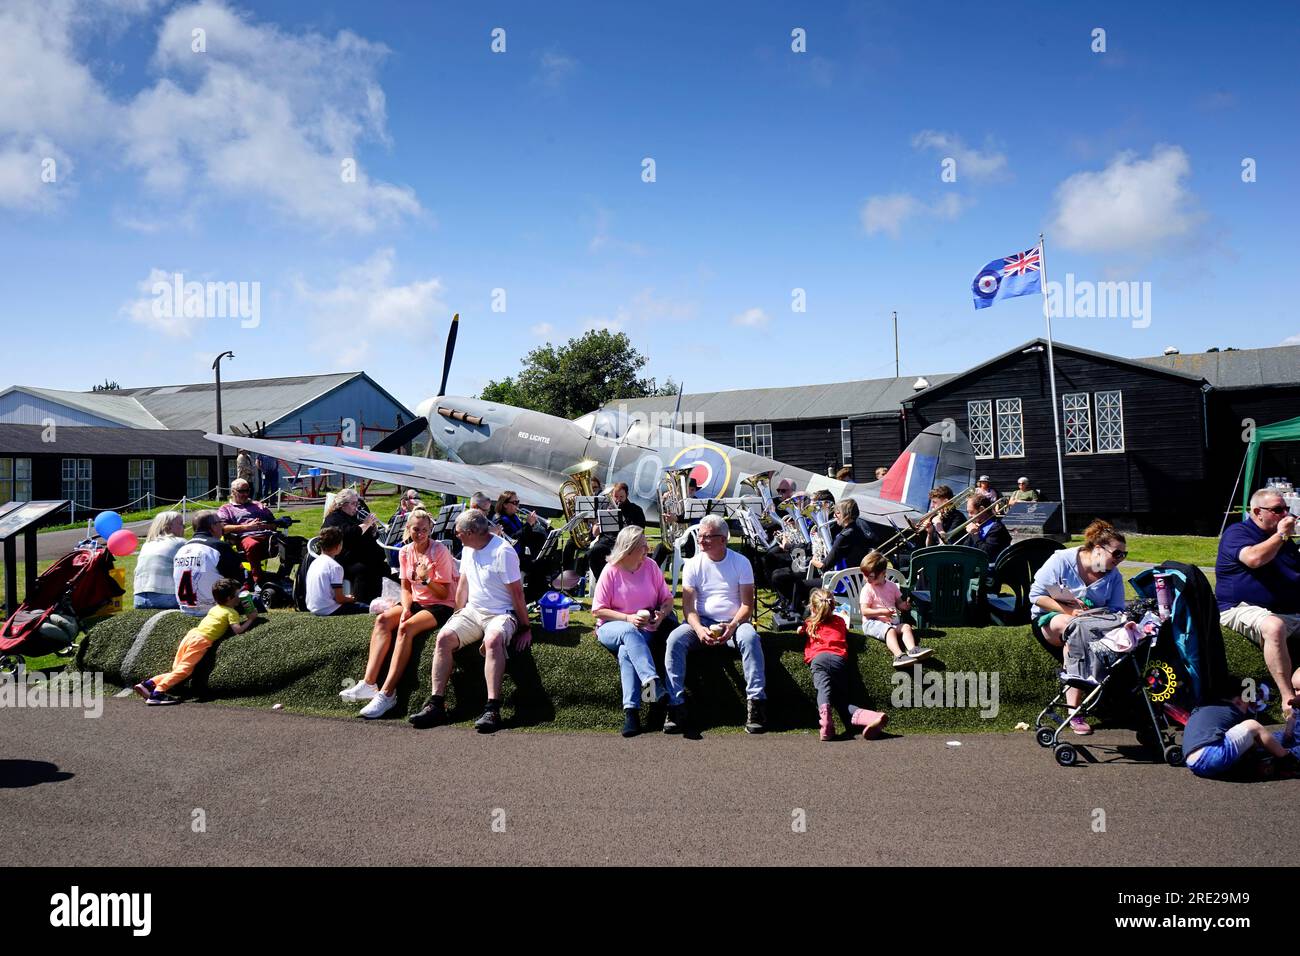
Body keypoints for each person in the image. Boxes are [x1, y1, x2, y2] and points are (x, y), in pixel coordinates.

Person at [408, 509, 532, 733]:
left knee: (494, 639)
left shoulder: (503, 552)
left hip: (501, 612)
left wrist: (525, 627)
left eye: (458, 532)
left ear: (472, 532)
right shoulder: (467, 548)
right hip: (473, 612)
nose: (456, 535)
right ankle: (436, 704)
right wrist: (457, 614)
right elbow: (463, 585)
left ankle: (492, 709)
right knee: (444, 637)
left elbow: (517, 594)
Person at [342, 510, 458, 718]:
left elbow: (445, 592)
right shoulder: (405, 551)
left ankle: (387, 693)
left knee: (406, 628)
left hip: (441, 604)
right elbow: (405, 588)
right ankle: (368, 683)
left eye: (424, 530)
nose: (420, 534)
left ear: (430, 530)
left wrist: (425, 580)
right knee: (383, 620)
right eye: (416, 529)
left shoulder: (439, 550)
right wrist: (405, 608)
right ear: (408, 529)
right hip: (417, 602)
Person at [664, 514, 767, 734]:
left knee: (750, 638)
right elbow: (688, 609)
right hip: (702, 622)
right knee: (674, 639)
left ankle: (756, 704)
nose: (701, 541)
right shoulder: (692, 564)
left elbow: (747, 605)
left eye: (707, 537)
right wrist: (699, 629)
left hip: (736, 622)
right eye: (700, 536)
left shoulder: (741, 562)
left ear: (723, 539)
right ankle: (675, 705)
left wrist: (732, 626)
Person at [1029, 519, 1129, 735]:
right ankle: (1075, 711)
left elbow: (1117, 610)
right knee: (1072, 626)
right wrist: (1069, 610)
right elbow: (1036, 596)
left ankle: (1091, 704)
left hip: (1091, 625)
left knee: (1079, 634)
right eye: (1117, 554)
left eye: (1124, 555)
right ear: (1098, 549)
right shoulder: (1062, 560)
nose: (1120, 560)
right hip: (1052, 618)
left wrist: (1094, 614)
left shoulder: (1113, 575)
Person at [1215, 488, 1300, 718]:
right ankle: (1287, 698)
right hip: (1238, 608)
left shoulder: (1286, 542)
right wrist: (1281, 536)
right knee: (1273, 626)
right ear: (1257, 512)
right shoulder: (1238, 533)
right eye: (1277, 510)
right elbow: (1254, 559)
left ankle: (1297, 681)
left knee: (1278, 622)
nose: (1285, 515)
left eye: (1286, 509)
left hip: (1286, 609)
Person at [591, 525, 676, 737]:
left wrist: (661, 616)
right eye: (642, 545)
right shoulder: (610, 571)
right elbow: (597, 610)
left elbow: (667, 599)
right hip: (611, 627)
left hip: (644, 627)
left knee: (625, 653)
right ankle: (652, 683)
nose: (647, 548)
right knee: (629, 632)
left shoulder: (651, 566)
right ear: (628, 549)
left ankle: (631, 713)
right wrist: (628, 618)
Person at [132, 578, 257, 705]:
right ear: (230, 598)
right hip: (201, 641)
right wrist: (251, 619)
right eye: (238, 594)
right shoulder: (231, 612)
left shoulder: (216, 608)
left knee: (178, 670)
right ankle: (158, 693)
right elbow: (238, 630)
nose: (241, 596)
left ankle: (148, 684)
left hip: (192, 635)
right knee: (184, 670)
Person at [799, 588, 888, 741]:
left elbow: (801, 630)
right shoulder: (840, 621)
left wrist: (801, 629)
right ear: (833, 607)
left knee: (824, 691)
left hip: (818, 659)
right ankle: (871, 716)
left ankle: (826, 722)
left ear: (812, 608)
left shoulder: (809, 623)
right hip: (838, 660)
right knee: (841, 701)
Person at [771, 498, 874, 623]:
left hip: (842, 583)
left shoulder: (843, 536)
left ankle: (798, 617)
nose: (835, 516)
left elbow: (824, 566)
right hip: (856, 579)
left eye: (837, 513)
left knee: (799, 585)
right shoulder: (859, 531)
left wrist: (813, 560)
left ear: (846, 515)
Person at [1183, 685, 1300, 780]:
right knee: (1253, 725)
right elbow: (1253, 734)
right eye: (1247, 703)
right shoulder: (1232, 711)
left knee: (1253, 740)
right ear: (1238, 701)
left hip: (1193, 763)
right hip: (1211, 755)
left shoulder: (1205, 710)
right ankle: (1288, 760)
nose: (1248, 707)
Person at [859, 550, 932, 668]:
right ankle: (899, 656)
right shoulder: (867, 589)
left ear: (883, 573)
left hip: (891, 622)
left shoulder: (892, 586)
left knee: (906, 627)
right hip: (872, 623)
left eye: (871, 576)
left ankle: (913, 650)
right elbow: (864, 611)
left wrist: (904, 606)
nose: (867, 579)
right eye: (864, 574)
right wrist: (882, 612)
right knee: (890, 631)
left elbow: (898, 603)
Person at [321, 488, 390, 604]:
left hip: (358, 556)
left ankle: (380, 599)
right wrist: (366, 524)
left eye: (357, 503)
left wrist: (372, 530)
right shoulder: (334, 518)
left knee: (383, 568)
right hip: (343, 558)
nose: (356, 507)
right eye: (353, 504)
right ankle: (361, 601)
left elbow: (365, 536)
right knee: (363, 569)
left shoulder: (354, 517)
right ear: (343, 504)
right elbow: (348, 534)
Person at [173, 510, 245, 617]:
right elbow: (238, 579)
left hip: (185, 608)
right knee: (252, 598)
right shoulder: (219, 546)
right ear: (213, 526)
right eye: (220, 522)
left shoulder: (182, 549)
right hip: (213, 609)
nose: (223, 526)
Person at [217, 479, 278, 584]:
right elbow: (222, 528)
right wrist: (247, 527)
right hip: (245, 537)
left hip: (267, 535)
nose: (245, 494)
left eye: (247, 490)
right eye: (242, 491)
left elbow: (274, 523)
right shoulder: (226, 509)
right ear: (233, 492)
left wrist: (265, 525)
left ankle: (285, 577)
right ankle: (258, 581)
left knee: (293, 544)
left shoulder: (258, 505)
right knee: (253, 545)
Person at [585, 482, 648, 583]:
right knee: (594, 552)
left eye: (621, 497)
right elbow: (595, 533)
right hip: (606, 542)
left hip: (625, 544)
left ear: (627, 495)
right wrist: (601, 520)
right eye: (616, 497)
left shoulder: (635, 510)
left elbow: (639, 531)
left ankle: (622, 582)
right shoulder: (606, 508)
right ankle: (603, 582)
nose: (618, 500)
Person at [494, 490, 549, 598]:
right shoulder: (500, 520)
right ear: (505, 504)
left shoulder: (514, 517)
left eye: (518, 502)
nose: (517, 505)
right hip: (510, 557)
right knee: (537, 568)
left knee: (543, 563)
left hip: (521, 554)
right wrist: (528, 524)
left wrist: (535, 527)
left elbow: (524, 535)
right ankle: (533, 598)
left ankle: (540, 598)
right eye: (514, 503)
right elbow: (515, 537)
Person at [305, 526, 368, 616]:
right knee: (367, 607)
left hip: (313, 607)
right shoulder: (335, 567)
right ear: (338, 546)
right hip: (329, 609)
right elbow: (340, 599)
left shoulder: (314, 563)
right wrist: (351, 599)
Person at [133, 510, 185, 609]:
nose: (184, 527)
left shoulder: (147, 544)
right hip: (165, 596)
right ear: (167, 527)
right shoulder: (179, 542)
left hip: (139, 597)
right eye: (181, 524)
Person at [960, 493, 1011, 562]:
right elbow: (965, 547)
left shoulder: (997, 527)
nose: (969, 516)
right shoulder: (978, 524)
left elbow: (985, 553)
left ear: (981, 509)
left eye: (971, 512)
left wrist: (975, 534)